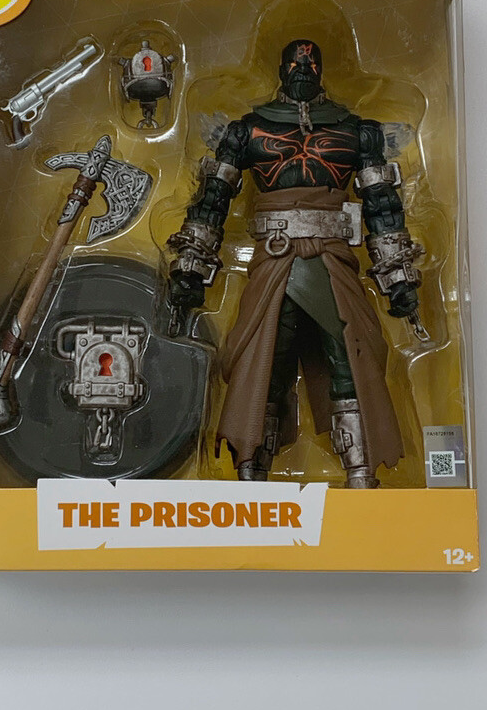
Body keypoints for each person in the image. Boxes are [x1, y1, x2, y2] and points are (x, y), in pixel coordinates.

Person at [168, 40, 424, 487]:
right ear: (282, 69)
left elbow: (382, 205)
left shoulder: (355, 131)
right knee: (263, 360)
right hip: (275, 259)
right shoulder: (248, 131)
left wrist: (398, 279)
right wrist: (191, 267)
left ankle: (361, 473)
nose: (302, 68)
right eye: (295, 62)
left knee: (351, 359)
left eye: (310, 62)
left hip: (333, 261)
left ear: (320, 69)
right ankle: (252, 470)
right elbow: (212, 200)